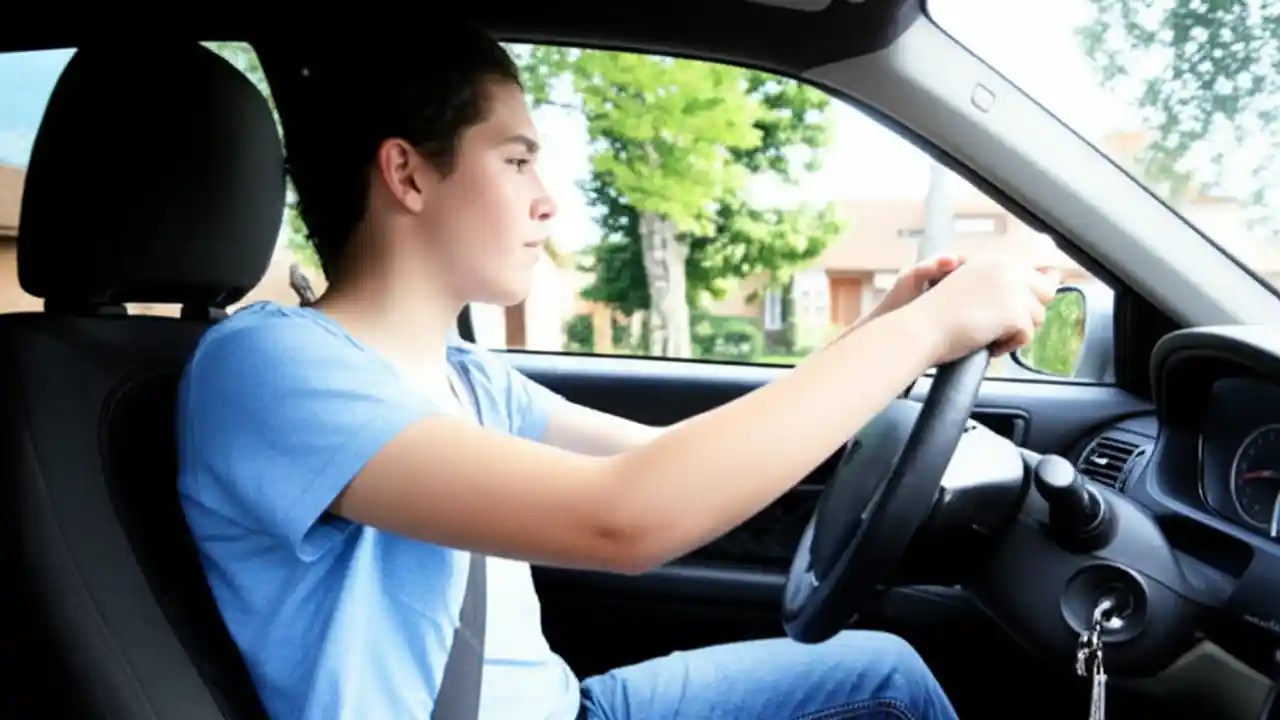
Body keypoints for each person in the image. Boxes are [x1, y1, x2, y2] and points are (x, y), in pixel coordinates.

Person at [175, 25, 1056, 720]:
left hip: (569, 708)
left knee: (886, 675)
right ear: (406, 172)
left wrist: (883, 329)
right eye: (517, 159)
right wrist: (932, 332)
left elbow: (675, 458)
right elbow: (624, 520)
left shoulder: (463, 375)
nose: (548, 198)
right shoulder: (269, 368)